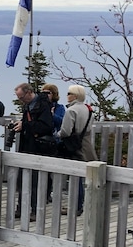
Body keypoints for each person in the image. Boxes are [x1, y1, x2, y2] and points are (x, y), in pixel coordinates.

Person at [11, 83, 56, 219]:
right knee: (23, 179)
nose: (21, 101)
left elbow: (46, 126)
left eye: (21, 97)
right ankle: (21, 208)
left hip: (39, 148)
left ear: (29, 92)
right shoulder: (28, 106)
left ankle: (35, 211)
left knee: (35, 181)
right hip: (27, 146)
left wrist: (25, 125)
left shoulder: (43, 105)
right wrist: (22, 125)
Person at [57, 84, 97, 213]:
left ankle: (75, 206)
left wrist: (56, 135)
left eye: (69, 93)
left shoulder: (71, 111)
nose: (67, 96)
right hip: (86, 144)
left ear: (75, 95)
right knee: (86, 175)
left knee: (75, 176)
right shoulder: (88, 109)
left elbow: (65, 132)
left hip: (73, 146)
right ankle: (85, 204)